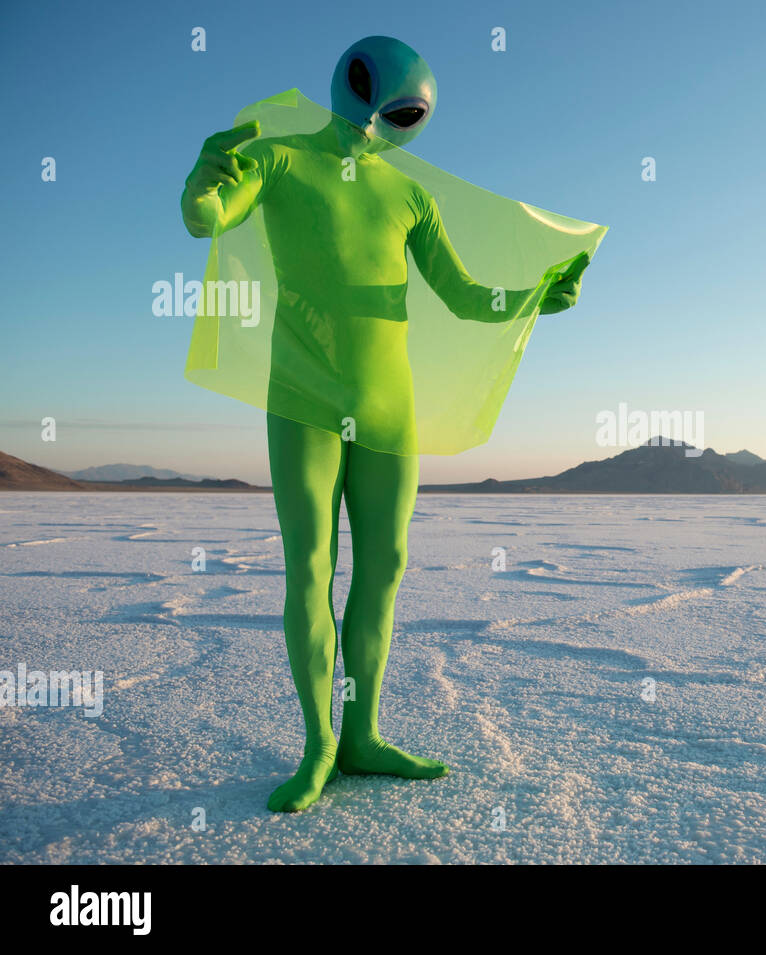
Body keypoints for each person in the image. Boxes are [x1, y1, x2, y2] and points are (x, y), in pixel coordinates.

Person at [180, 36, 590, 811]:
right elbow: (208, 219)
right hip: (302, 397)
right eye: (372, 95)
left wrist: (533, 296)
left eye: (399, 113)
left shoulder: (409, 197)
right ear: (344, 80)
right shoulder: (277, 159)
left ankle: (362, 732)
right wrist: (203, 185)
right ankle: (318, 747)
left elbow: (465, 296)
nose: (374, 122)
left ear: (414, 122)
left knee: (385, 566)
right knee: (309, 567)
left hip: (387, 409)